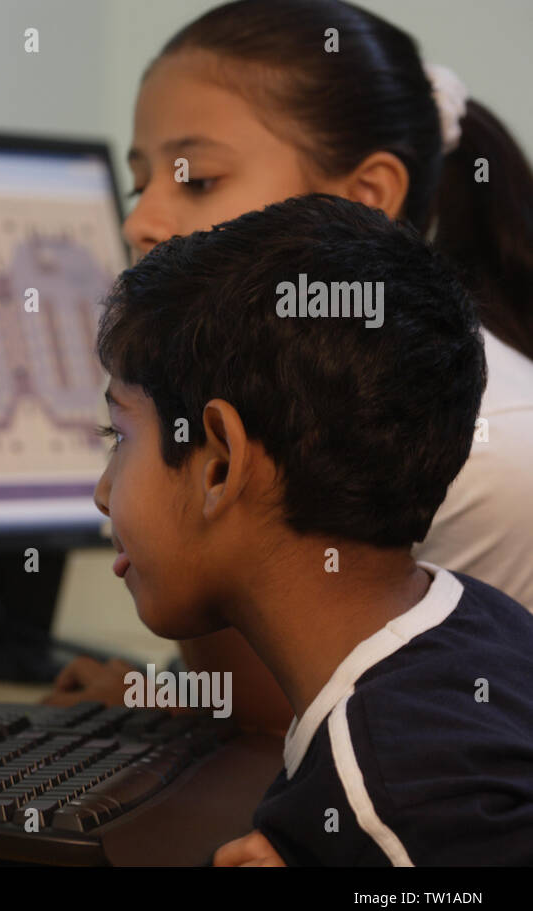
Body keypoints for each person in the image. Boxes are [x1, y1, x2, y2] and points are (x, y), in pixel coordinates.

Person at [45, 0, 533, 734]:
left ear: (366, 199)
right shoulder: (314, 392)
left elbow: (286, 728)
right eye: (138, 183)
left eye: (198, 179)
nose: (139, 220)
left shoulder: (471, 442)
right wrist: (162, 697)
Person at [92, 192, 533, 865]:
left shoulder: (389, 795)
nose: (101, 494)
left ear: (219, 465)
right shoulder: (479, 620)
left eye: (117, 435)